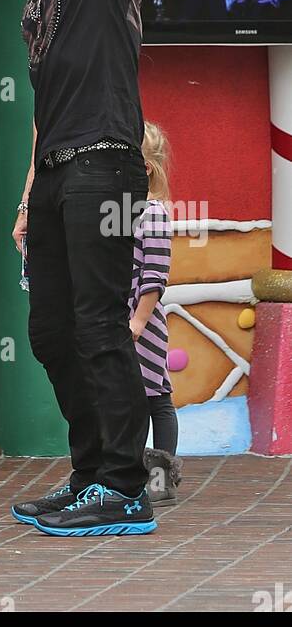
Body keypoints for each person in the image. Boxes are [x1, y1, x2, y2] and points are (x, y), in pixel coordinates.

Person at [11, 0, 156, 538]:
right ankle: (91, 472)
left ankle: (127, 487)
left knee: (100, 324)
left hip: (109, 166)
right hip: (63, 166)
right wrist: (30, 196)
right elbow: (44, 105)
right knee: (51, 331)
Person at [130, 121, 181, 504]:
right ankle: (127, 474)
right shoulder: (119, 211)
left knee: (155, 396)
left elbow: (154, 275)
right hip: (120, 317)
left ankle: (161, 480)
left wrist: (138, 321)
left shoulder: (154, 213)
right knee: (129, 396)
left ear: (145, 166)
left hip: (141, 323)